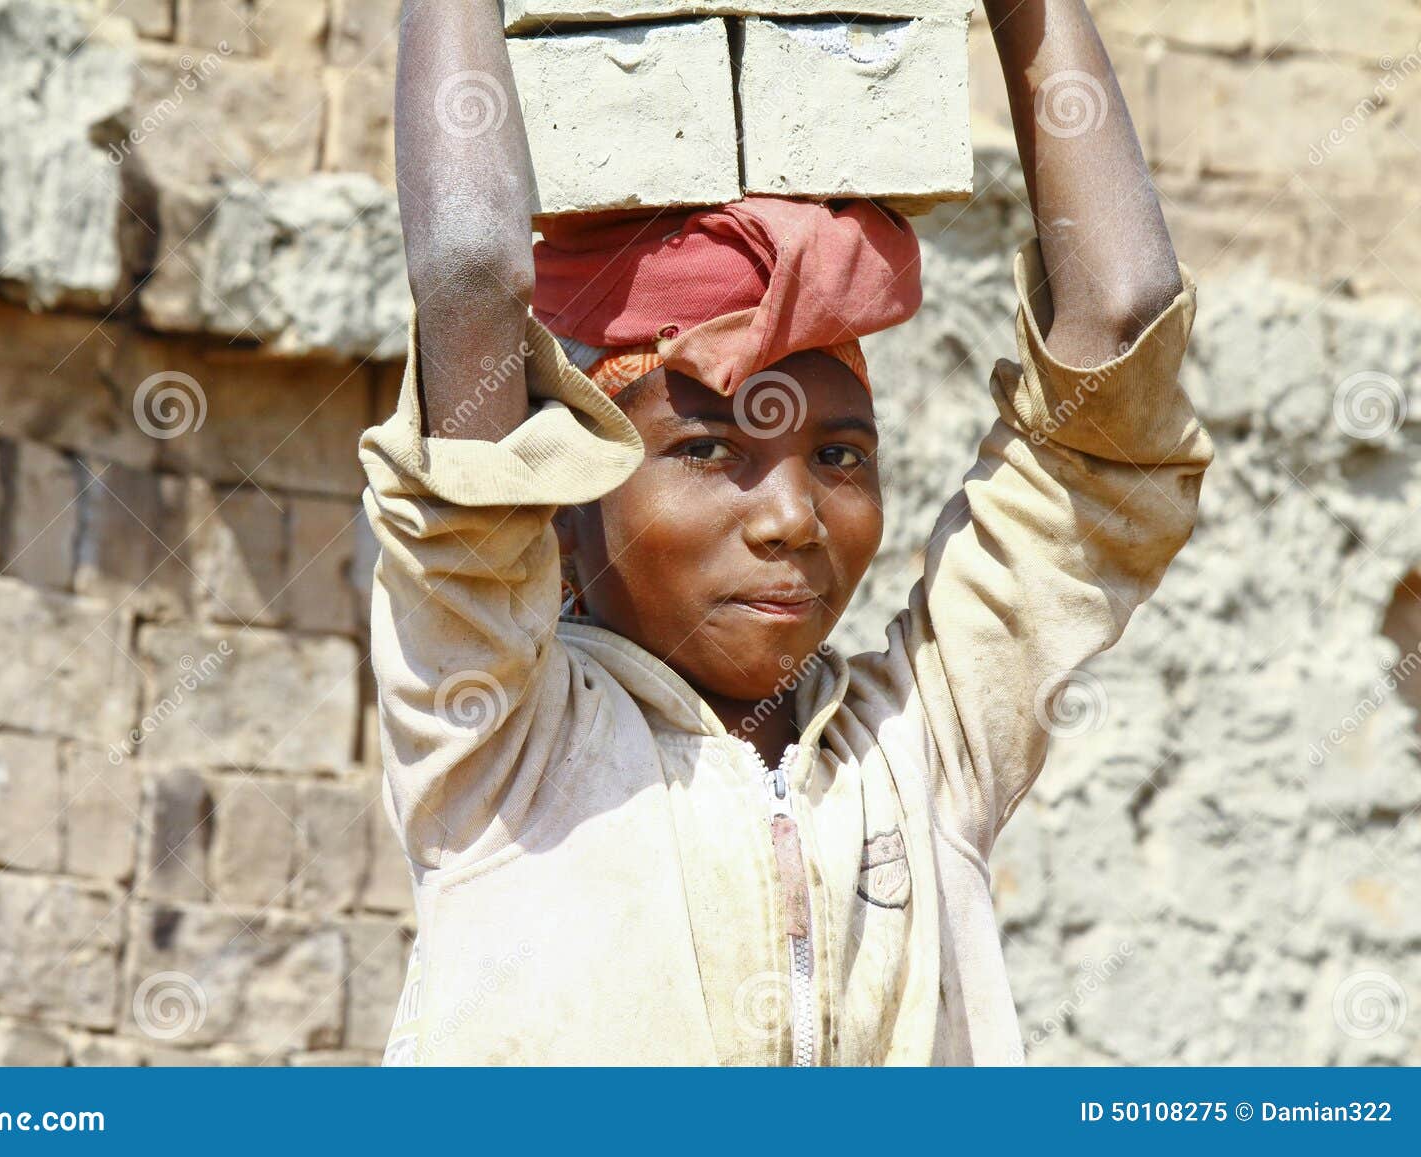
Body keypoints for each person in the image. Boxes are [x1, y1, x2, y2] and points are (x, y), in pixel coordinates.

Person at [363, 0, 1211, 1065]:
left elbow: (1123, 329)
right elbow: (470, 276)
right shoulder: (496, 744)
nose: (792, 518)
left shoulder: (920, 756)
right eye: (709, 450)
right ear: (565, 513)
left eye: (841, 456)